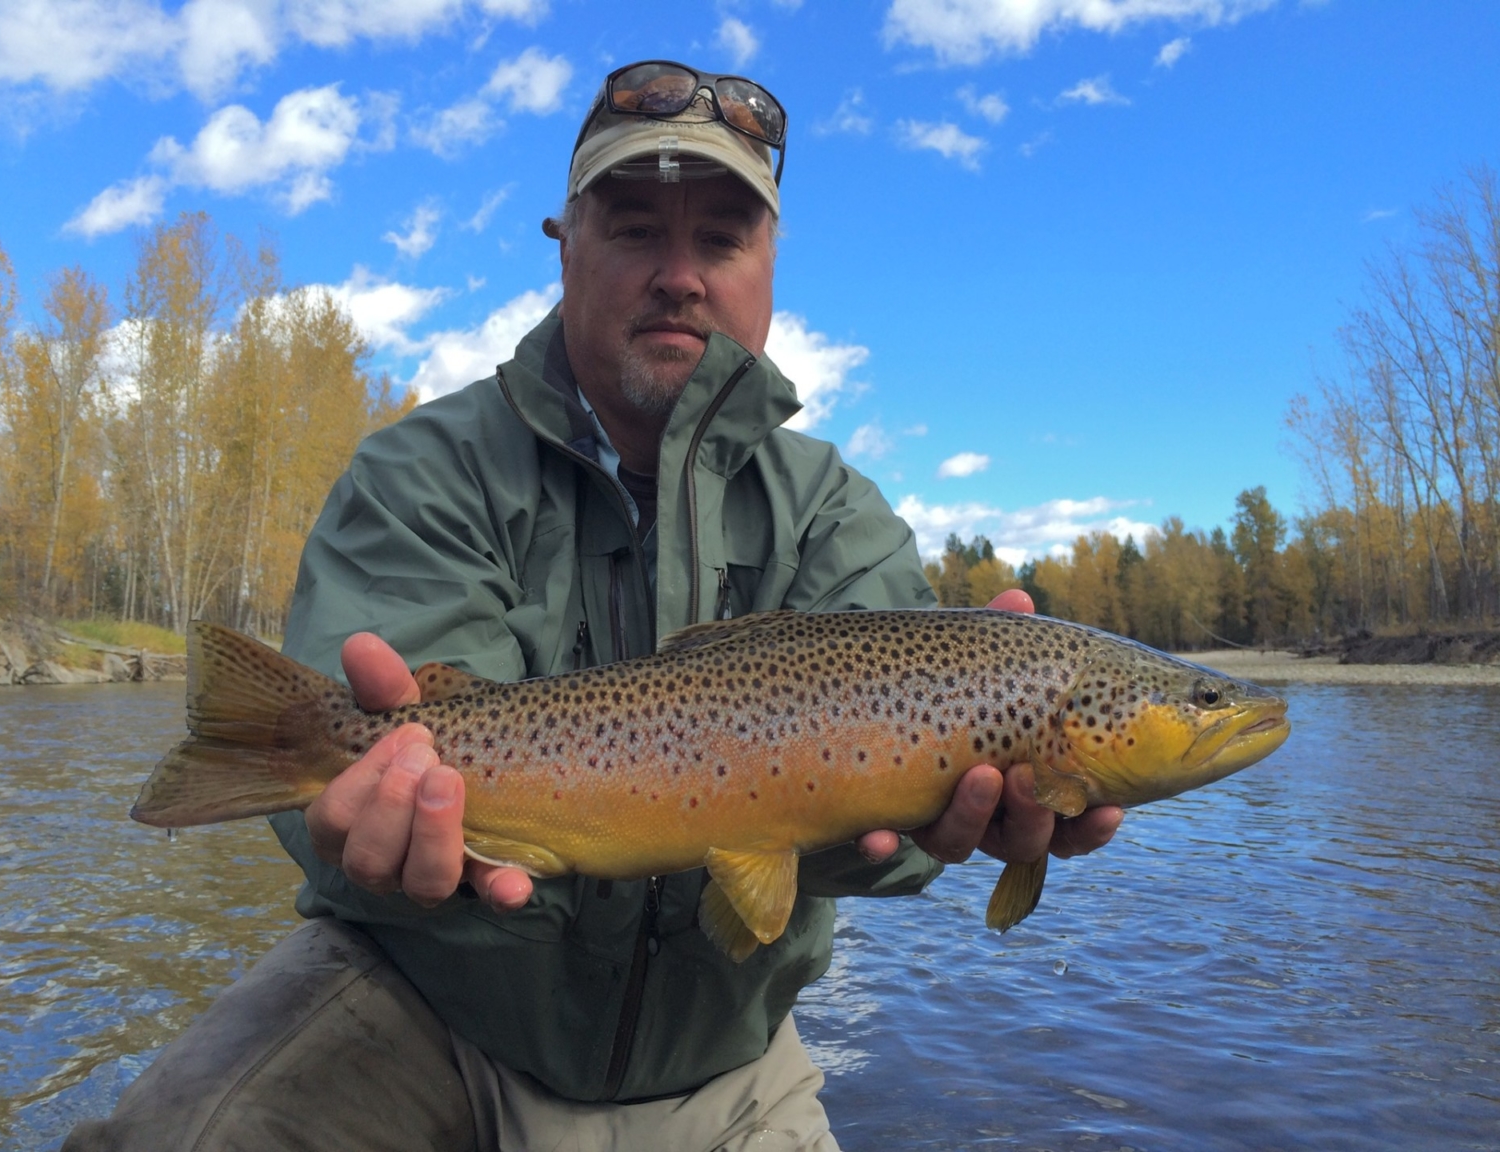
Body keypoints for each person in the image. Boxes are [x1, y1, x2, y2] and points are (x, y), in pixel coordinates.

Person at [64, 60, 1122, 1152]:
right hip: (427, 1007)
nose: (680, 276)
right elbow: (350, 804)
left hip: (727, 1057)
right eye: (634, 231)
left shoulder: (833, 515)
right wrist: (367, 796)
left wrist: (924, 839)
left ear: (769, 267)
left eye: (721, 240)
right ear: (564, 246)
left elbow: (883, 838)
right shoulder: (424, 473)